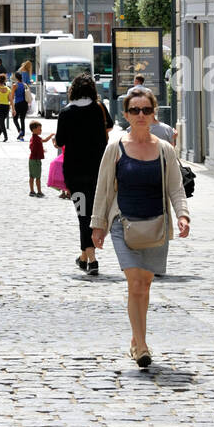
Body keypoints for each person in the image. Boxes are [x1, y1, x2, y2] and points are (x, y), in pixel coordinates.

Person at [91, 86, 190, 368]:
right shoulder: (116, 148)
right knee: (135, 282)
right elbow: (103, 190)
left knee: (145, 285)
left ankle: (136, 338)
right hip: (124, 223)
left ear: (153, 112)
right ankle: (142, 346)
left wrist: (183, 215)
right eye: (135, 110)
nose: (141, 115)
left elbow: (176, 187)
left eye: (146, 110)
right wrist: (98, 226)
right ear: (125, 114)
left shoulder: (165, 150)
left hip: (156, 225)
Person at [55, 74, 109, 275]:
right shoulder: (98, 109)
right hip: (97, 171)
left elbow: (60, 141)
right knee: (91, 214)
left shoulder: (66, 113)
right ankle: (85, 256)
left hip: (75, 173)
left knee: (82, 213)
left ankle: (92, 259)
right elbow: (106, 132)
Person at [27, 120, 54, 197]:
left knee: (31, 176)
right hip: (36, 160)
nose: (41, 130)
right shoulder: (37, 139)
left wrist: (41, 150)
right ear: (34, 130)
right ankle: (39, 192)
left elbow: (32, 146)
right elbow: (44, 141)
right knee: (38, 177)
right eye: (39, 129)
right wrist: (51, 135)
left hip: (31, 159)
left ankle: (32, 191)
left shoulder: (33, 138)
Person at [11, 70, 30, 140]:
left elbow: (12, 97)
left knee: (15, 119)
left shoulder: (14, 85)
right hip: (25, 104)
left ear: (16, 78)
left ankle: (20, 131)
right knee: (22, 119)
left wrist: (11, 106)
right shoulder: (25, 85)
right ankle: (22, 136)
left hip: (18, 104)